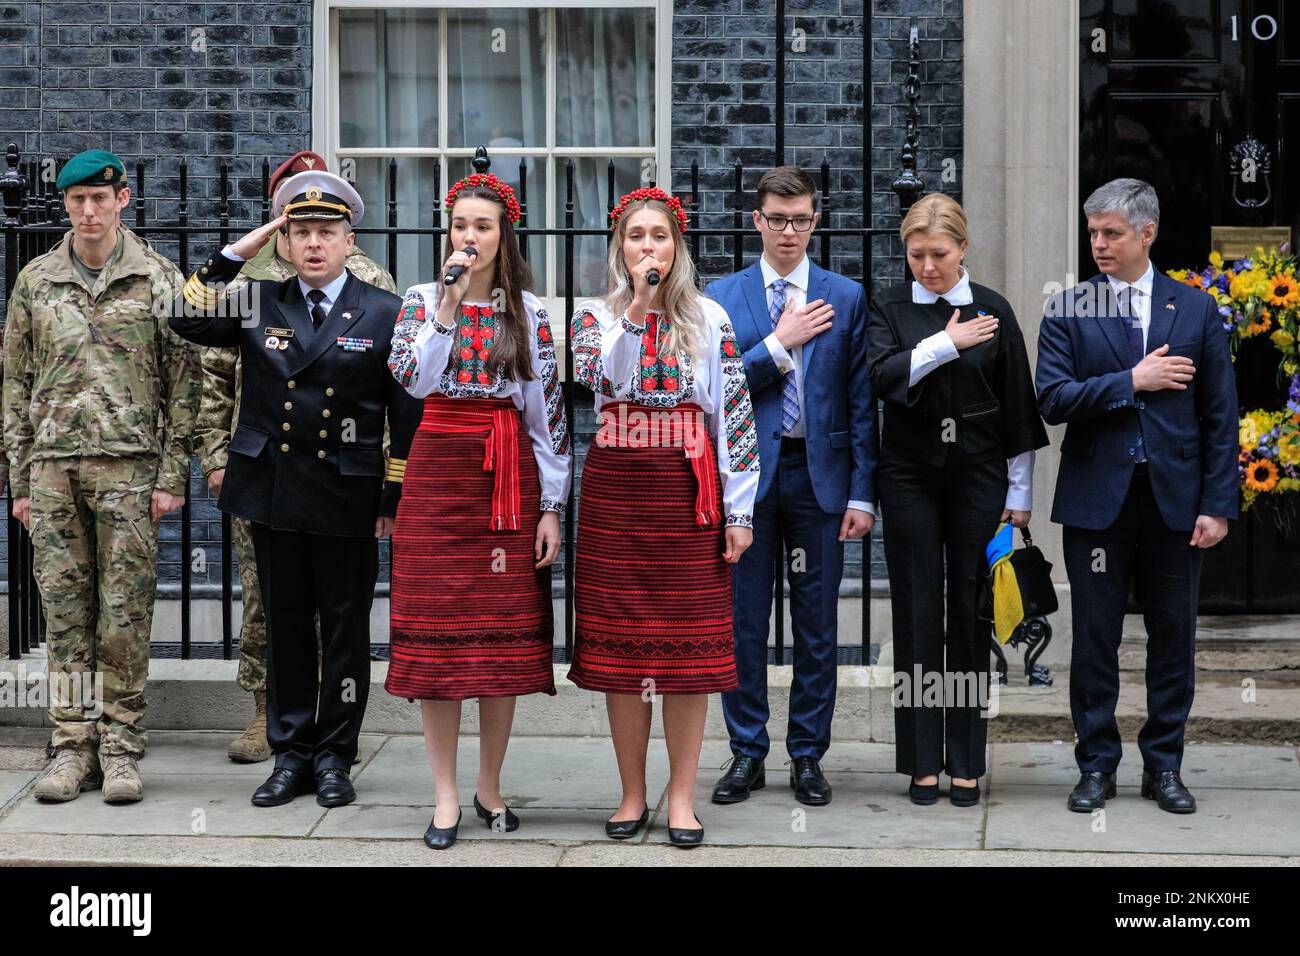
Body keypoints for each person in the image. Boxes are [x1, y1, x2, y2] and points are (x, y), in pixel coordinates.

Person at [169, 171, 421, 809]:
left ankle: (335, 754)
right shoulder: (260, 301)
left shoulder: (385, 310)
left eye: (326, 232)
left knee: (342, 631)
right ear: (285, 241)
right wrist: (239, 251)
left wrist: (391, 498)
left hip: (348, 491)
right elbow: (181, 315)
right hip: (273, 488)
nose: (314, 244)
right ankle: (290, 752)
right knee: (284, 626)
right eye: (300, 231)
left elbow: (406, 414)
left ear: (348, 240)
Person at [3, 148, 201, 803]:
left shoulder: (160, 278)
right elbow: (15, 383)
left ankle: (119, 750)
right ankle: (70, 749)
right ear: (65, 204)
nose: (89, 211)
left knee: (123, 617)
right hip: (53, 474)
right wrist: (21, 479)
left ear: (123, 201)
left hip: (131, 473)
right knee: (64, 619)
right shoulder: (36, 279)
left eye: (100, 199)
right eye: (77, 200)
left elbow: (184, 383)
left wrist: (172, 476)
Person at [1036, 178, 1238, 815]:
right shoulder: (1069, 308)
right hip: (1098, 504)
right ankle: (1096, 765)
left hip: (1176, 502)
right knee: (1094, 638)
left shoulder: (1196, 309)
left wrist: (1217, 504)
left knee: (1172, 638)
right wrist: (1132, 380)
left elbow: (1219, 415)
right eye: (1092, 232)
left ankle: (1165, 767)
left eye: (1111, 233)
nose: (1097, 243)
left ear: (1146, 234)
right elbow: (1052, 399)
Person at [385, 171, 571, 850]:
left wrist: (551, 506)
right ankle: (443, 793)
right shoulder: (418, 302)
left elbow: (547, 417)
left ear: (504, 235)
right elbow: (413, 378)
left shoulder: (529, 313)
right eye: (460, 225)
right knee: (436, 641)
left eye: (482, 226)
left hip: (505, 482)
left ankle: (489, 785)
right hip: (438, 476)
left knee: (500, 640)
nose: (469, 236)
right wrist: (447, 304)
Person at [568, 186, 759, 848]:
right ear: (620, 246)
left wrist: (739, 510)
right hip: (617, 493)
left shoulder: (709, 319)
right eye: (635, 236)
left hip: (684, 493)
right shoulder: (595, 319)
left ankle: (682, 796)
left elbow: (730, 416)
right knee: (623, 653)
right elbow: (603, 379)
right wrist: (640, 308)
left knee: (689, 653)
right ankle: (631, 794)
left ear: (677, 247)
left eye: (659, 237)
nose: (647, 247)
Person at [866, 192, 1048, 807]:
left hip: (977, 477)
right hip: (910, 476)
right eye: (916, 255)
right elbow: (883, 378)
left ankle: (966, 760)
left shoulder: (993, 310)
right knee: (917, 611)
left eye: (939, 254)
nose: (927, 267)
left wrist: (1018, 495)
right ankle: (922, 761)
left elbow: (1018, 408)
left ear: (963, 248)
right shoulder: (890, 306)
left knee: (971, 612)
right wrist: (945, 343)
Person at [705, 165, 878, 807]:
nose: (788, 231)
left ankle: (808, 753)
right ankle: (746, 750)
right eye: (777, 219)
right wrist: (779, 345)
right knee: (743, 621)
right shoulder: (724, 296)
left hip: (821, 477)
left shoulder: (846, 296)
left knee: (817, 623)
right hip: (749, 478)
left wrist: (863, 492)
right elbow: (717, 391)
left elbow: (862, 401)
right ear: (757, 221)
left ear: (815, 221)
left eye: (800, 219)